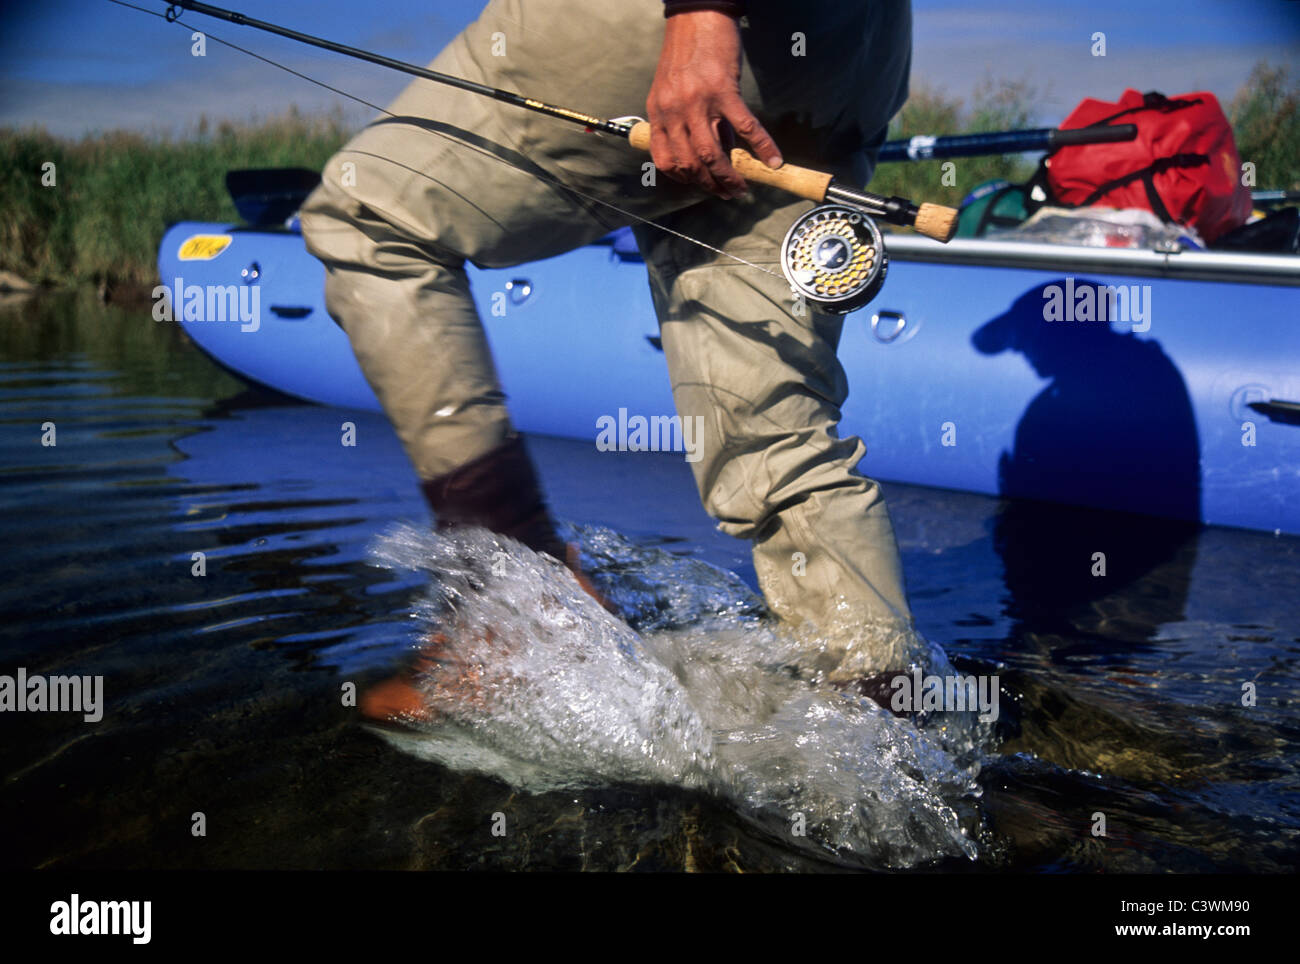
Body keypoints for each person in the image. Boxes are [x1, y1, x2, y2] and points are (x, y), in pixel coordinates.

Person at [298, 0, 931, 720]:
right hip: (849, 59)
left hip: (671, 32)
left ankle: (519, 610)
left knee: (368, 216)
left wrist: (701, 17)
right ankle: (885, 725)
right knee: (778, 443)